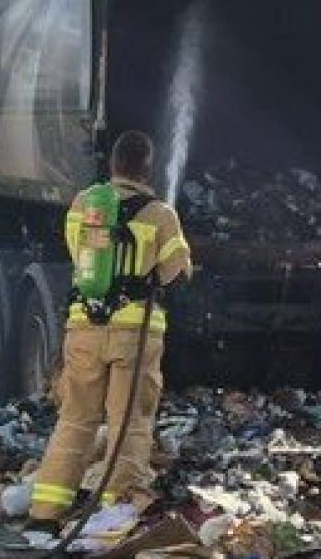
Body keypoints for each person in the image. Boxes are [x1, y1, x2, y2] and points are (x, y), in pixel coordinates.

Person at [27, 130, 192, 533]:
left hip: (84, 327)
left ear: (113, 164)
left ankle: (46, 511)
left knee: (76, 418)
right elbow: (178, 272)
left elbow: (78, 252)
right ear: (148, 169)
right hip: (134, 335)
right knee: (129, 422)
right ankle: (113, 510)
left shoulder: (85, 204)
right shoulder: (160, 214)